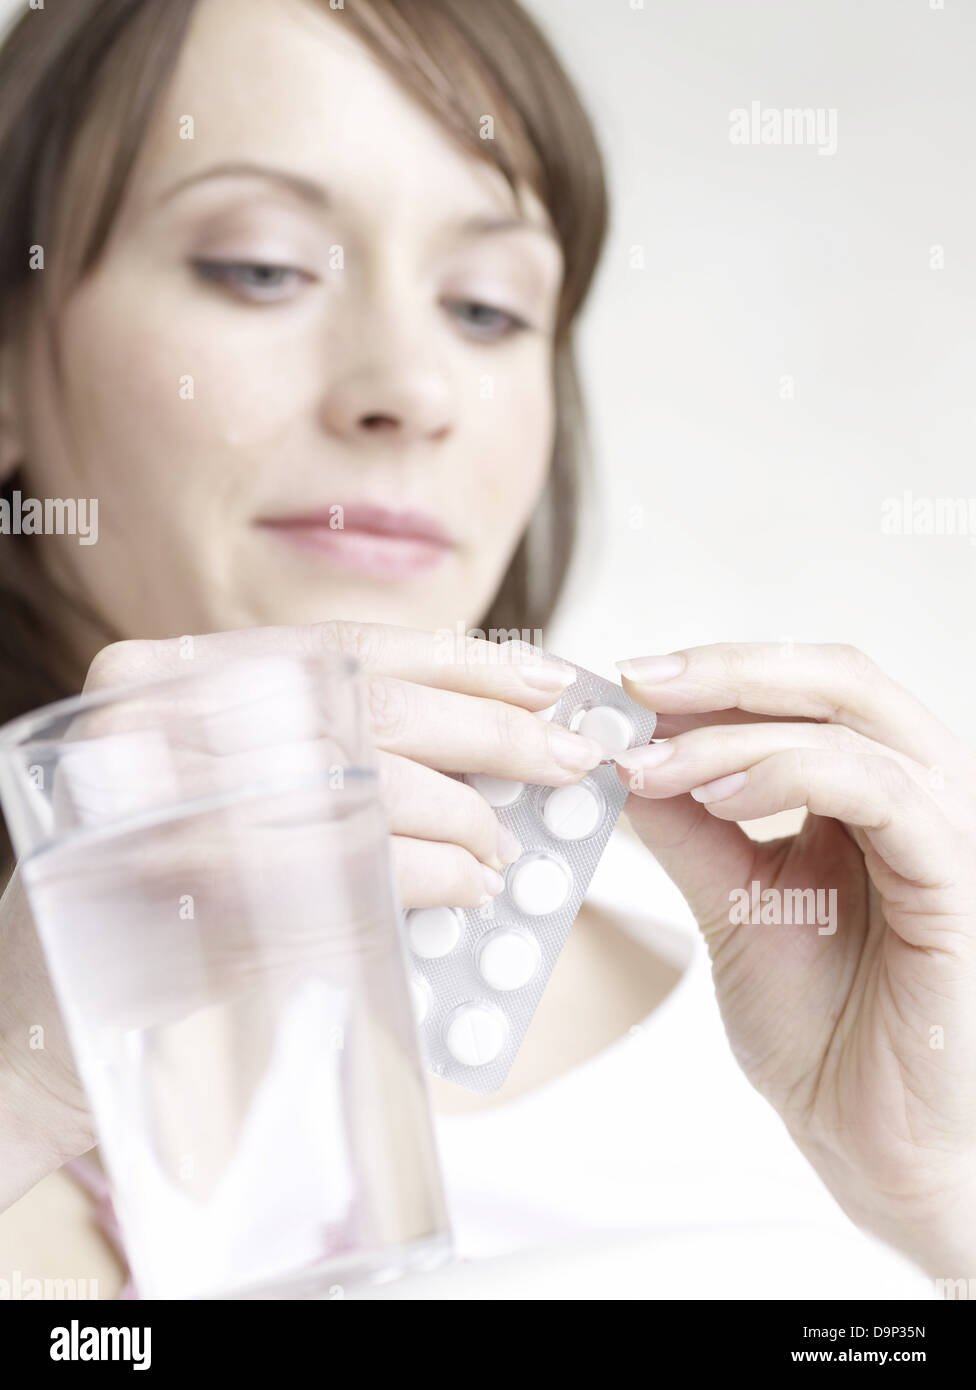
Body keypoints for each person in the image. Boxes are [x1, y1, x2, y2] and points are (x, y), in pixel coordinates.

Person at [0, 0, 972, 1300]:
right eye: (259, 268)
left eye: (485, 306)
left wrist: (933, 1193)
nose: (412, 384)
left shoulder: (807, 1036)